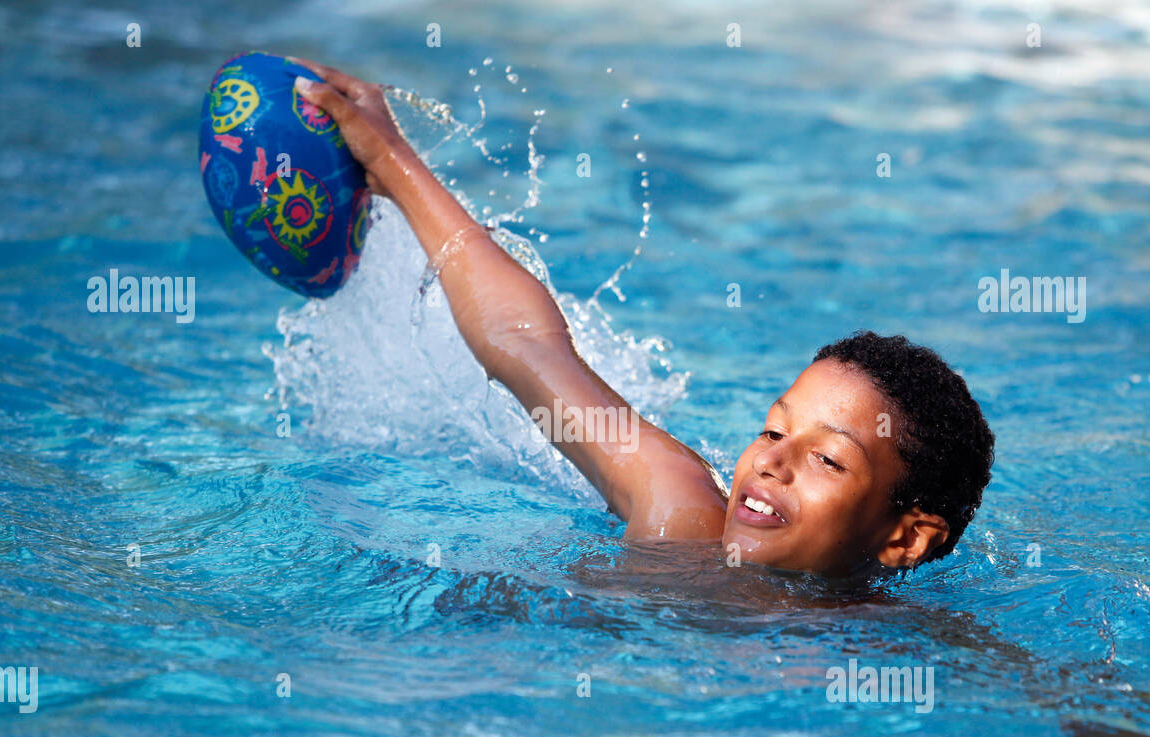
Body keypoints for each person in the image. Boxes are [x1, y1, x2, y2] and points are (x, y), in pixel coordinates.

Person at [293, 60, 995, 580]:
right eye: (774, 429)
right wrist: (391, 160)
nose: (770, 463)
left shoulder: (894, 649)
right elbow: (526, 346)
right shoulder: (676, 516)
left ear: (905, 539)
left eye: (828, 459)